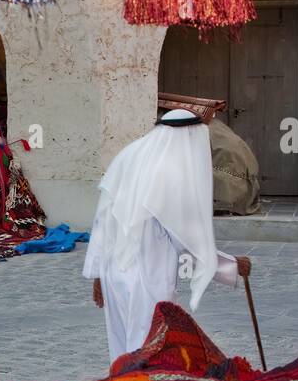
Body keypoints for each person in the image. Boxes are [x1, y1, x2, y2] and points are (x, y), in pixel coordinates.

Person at [82, 108, 252, 361]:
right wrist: (230, 265)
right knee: (148, 351)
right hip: (148, 279)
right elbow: (186, 241)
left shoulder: (128, 156)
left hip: (114, 274)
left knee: (122, 353)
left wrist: (98, 273)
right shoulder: (173, 173)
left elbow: (103, 219)